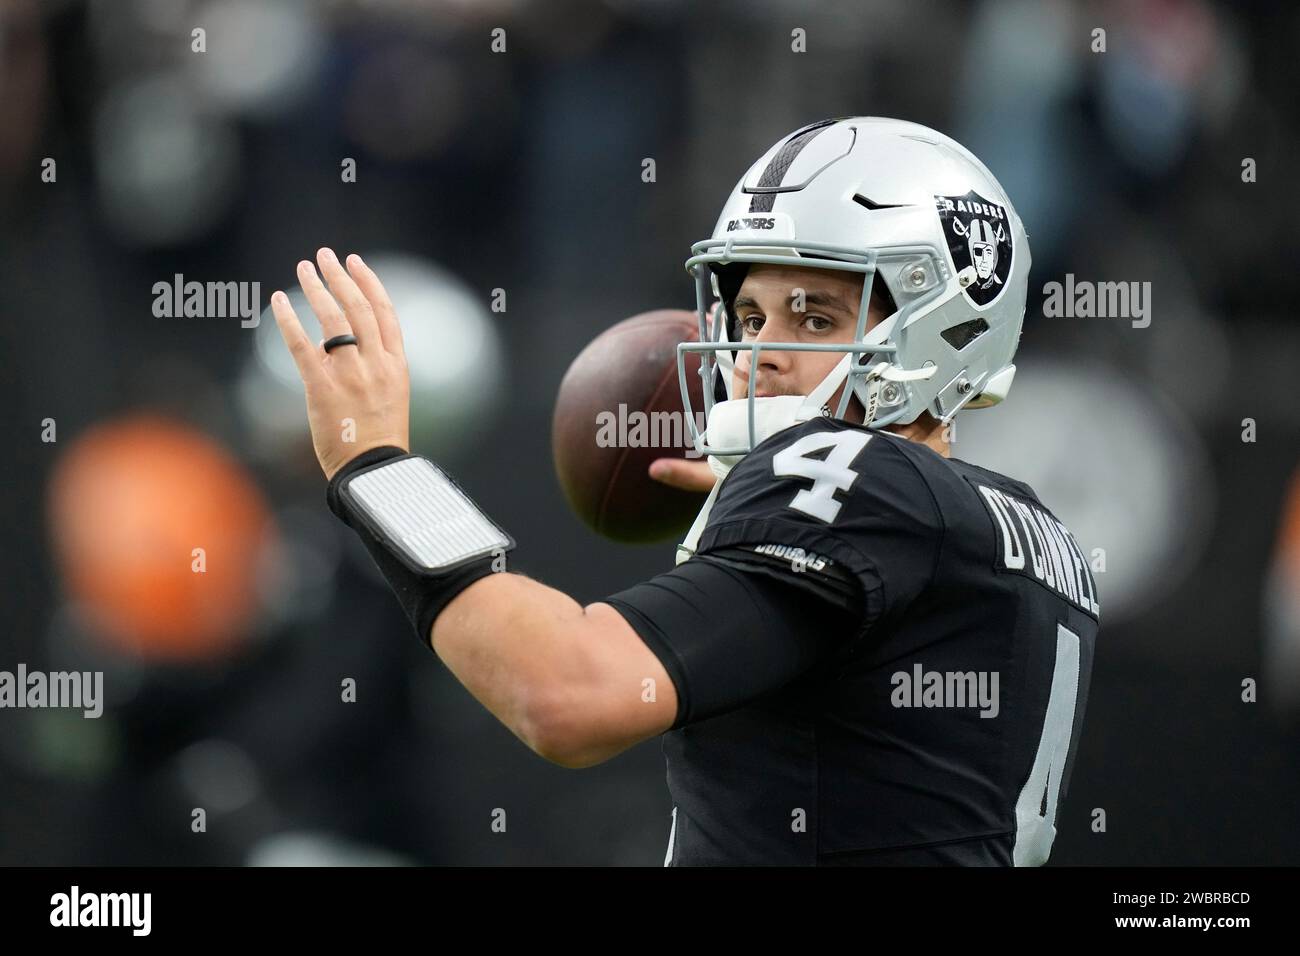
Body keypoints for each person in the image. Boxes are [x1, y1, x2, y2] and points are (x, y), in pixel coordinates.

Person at [271, 117, 1099, 866]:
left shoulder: (862, 486)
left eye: (815, 318)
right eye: (748, 315)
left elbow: (566, 693)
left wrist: (376, 463)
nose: (761, 354)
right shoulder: (1028, 530)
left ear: (945, 320)